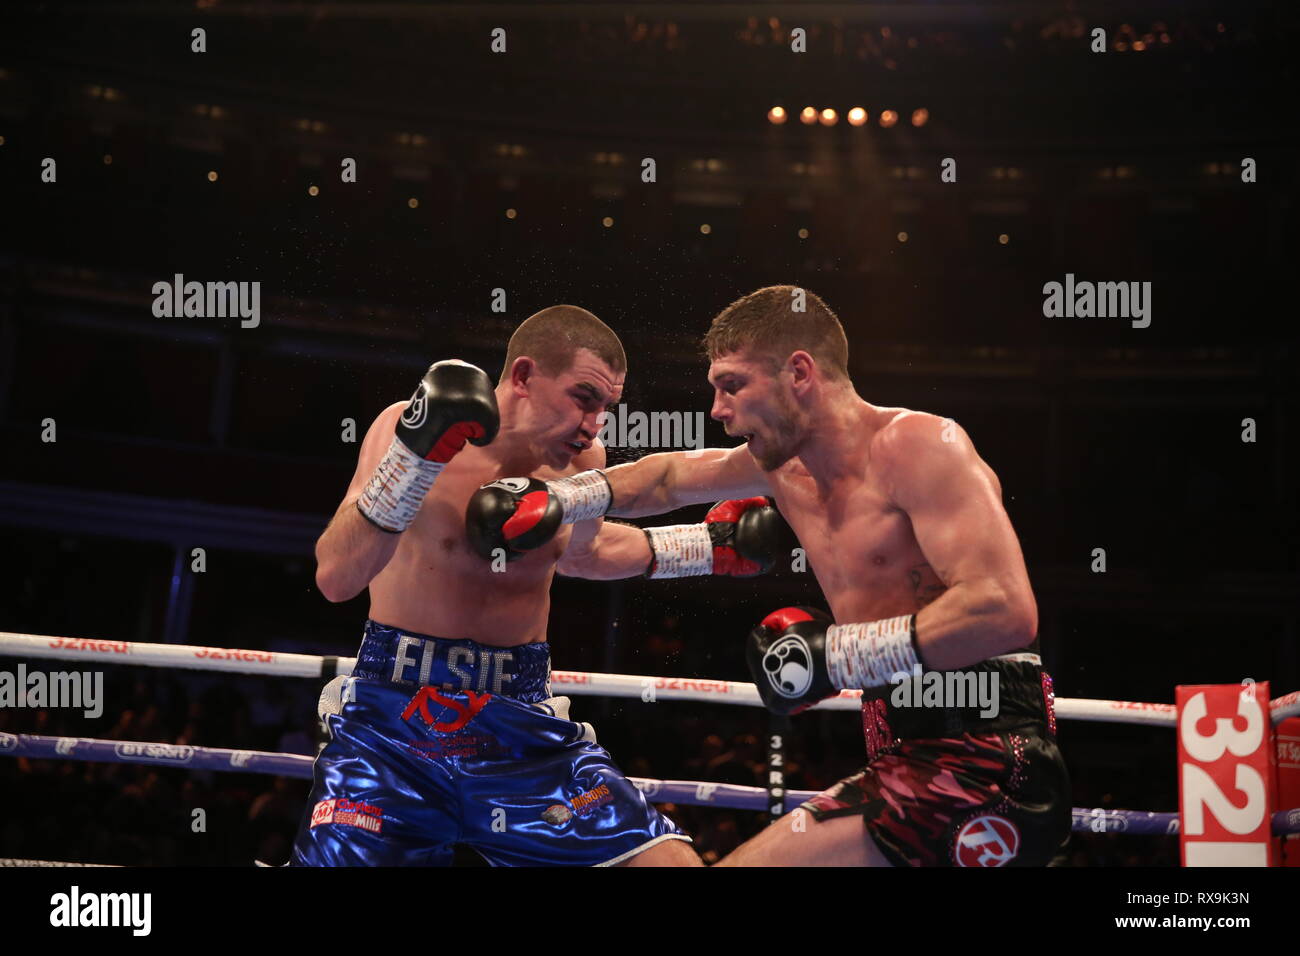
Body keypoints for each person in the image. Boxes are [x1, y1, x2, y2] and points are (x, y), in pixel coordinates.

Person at [474, 286, 1071, 867]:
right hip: (904, 752)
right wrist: (557, 498)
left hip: (983, 756)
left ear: (799, 373)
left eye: (732, 385)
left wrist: (837, 657)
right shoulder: (786, 470)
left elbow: (1003, 608)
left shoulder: (919, 445)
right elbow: (665, 479)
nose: (719, 411)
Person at [290, 304, 787, 867]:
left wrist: (705, 548)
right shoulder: (405, 425)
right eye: (584, 398)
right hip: (392, 725)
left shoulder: (581, 466)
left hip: (522, 728)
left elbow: (587, 553)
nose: (593, 425)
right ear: (523, 376)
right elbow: (335, 577)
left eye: (605, 408)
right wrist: (415, 459)